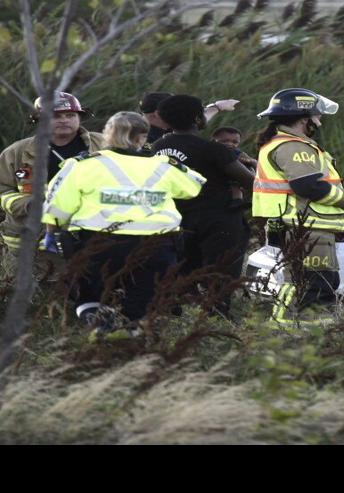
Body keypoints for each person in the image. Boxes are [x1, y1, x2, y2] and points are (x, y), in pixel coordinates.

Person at [42, 111, 206, 338]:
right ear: (142, 138)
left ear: (107, 136)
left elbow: (57, 205)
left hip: (98, 244)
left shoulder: (82, 165)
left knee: (88, 296)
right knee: (143, 304)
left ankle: (101, 331)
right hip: (156, 246)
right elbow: (193, 187)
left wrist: (52, 232)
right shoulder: (164, 166)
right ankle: (129, 342)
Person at [252, 87, 344, 325]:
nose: (320, 121)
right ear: (305, 120)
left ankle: (283, 327)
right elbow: (309, 187)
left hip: (296, 225)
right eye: (317, 117)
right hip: (308, 226)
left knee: (296, 282)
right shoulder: (294, 146)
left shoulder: (280, 143)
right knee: (319, 286)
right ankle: (314, 334)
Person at [150, 95, 256, 316]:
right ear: (198, 119)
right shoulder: (213, 149)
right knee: (220, 276)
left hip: (175, 220)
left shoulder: (156, 148)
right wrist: (255, 167)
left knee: (181, 274)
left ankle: (177, 319)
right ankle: (217, 319)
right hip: (219, 220)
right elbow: (249, 181)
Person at [0, 92, 107, 281]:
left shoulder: (105, 145)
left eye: (70, 115)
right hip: (32, 247)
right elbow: (3, 189)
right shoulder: (16, 153)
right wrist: (30, 204)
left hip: (92, 239)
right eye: (56, 116)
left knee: (89, 292)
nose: (64, 120)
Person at [141, 91, 240, 144]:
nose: (180, 114)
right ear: (158, 114)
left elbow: (198, 120)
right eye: (174, 109)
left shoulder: (172, 124)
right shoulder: (141, 137)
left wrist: (218, 106)